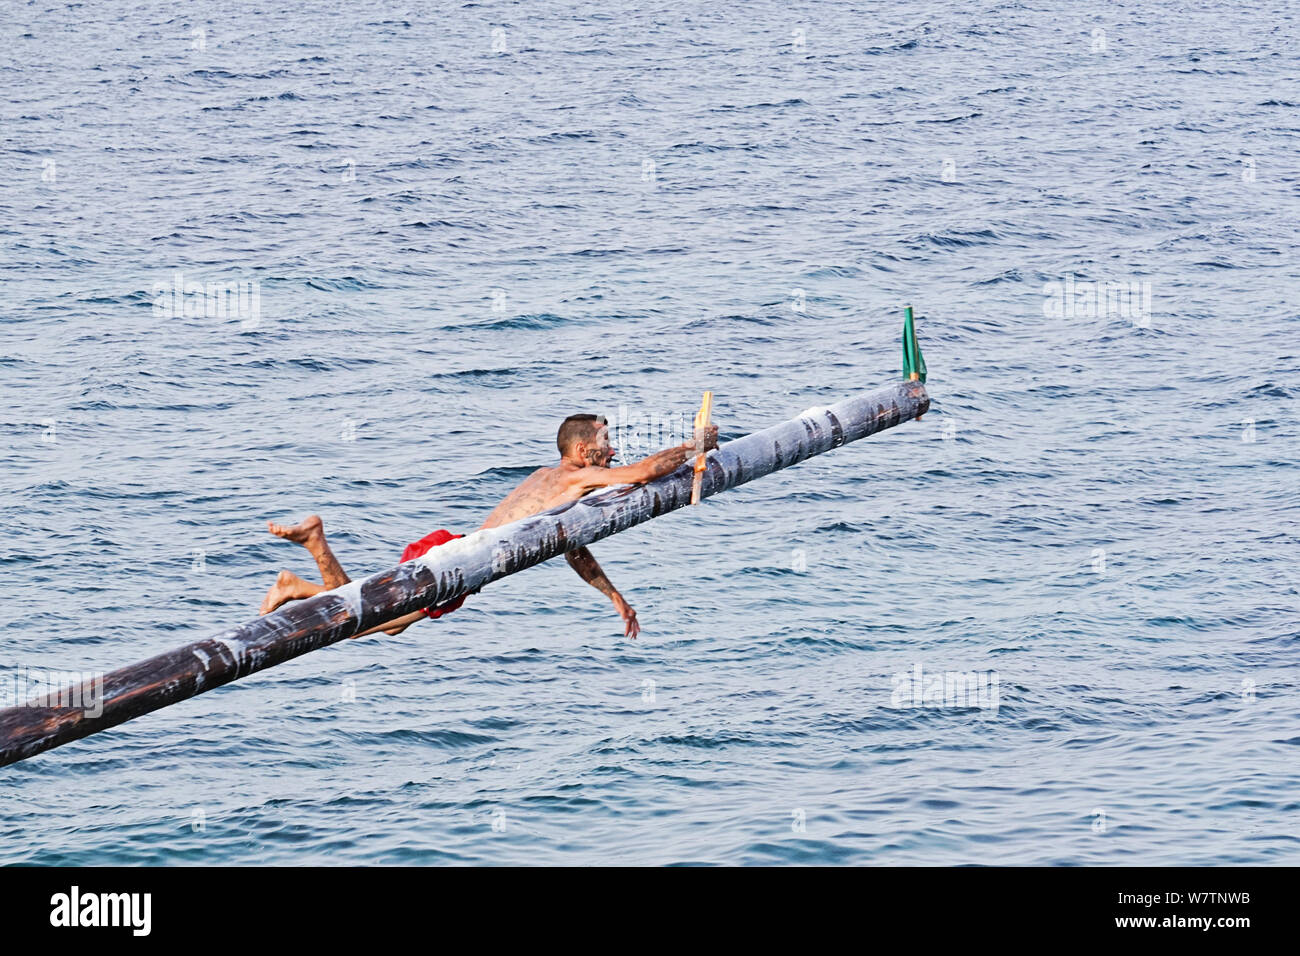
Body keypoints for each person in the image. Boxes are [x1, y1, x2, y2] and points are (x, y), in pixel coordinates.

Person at [258, 414, 719, 639]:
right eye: (605, 445)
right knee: (365, 623)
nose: (612, 453)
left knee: (387, 625)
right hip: (460, 562)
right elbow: (642, 473)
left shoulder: (550, 482)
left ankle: (300, 585)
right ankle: (312, 550)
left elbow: (571, 546)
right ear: (582, 452)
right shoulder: (578, 476)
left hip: (456, 550)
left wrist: (614, 596)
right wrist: (694, 445)